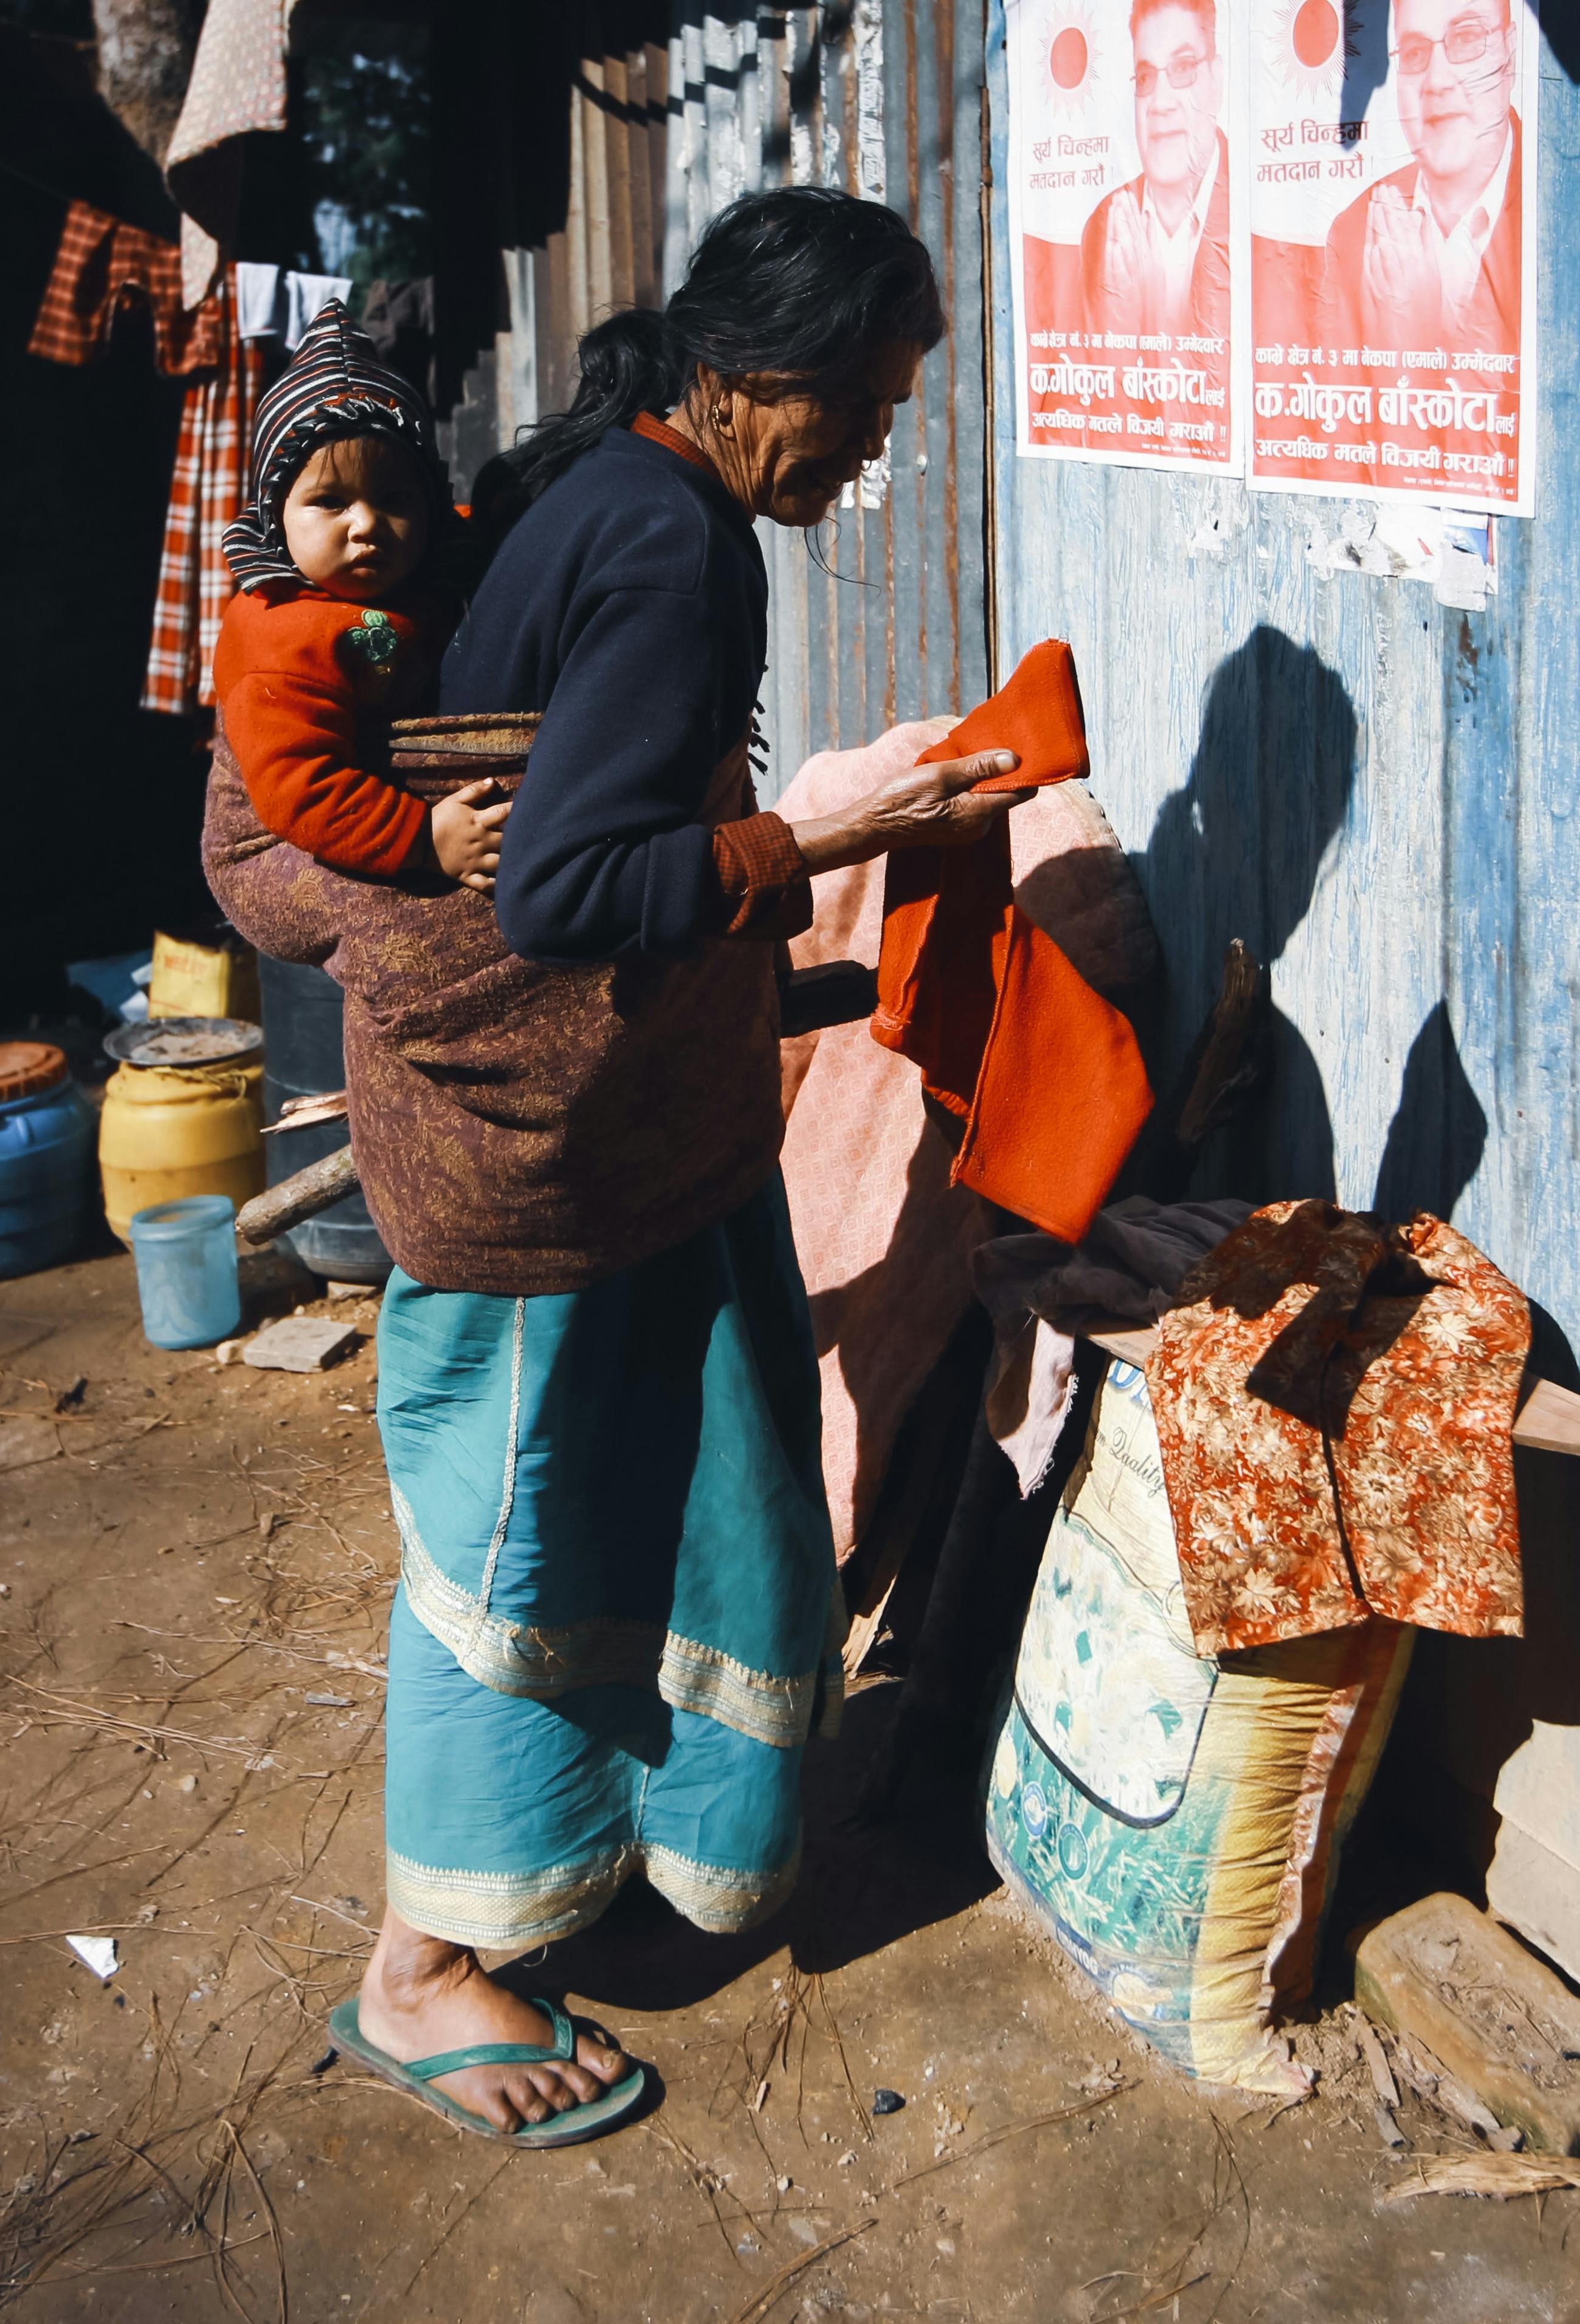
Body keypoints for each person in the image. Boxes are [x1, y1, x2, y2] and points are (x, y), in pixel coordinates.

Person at [200, 185, 1026, 2145]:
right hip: (536, 1165)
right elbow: (569, 887)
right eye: (873, 405)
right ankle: (421, 1970)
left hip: (616, 1147)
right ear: (758, 389)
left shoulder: (609, 488)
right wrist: (831, 837)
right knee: (517, 1529)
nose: (878, 446)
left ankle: (606, 1858)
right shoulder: (670, 541)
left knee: (650, 1498)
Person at [212, 300, 511, 893]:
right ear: (276, 516)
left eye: (396, 499)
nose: (366, 524)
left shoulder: (429, 561)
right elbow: (302, 787)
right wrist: (426, 841)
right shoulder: (284, 636)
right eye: (331, 502)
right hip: (331, 835)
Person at [1320, 0, 1523, 355]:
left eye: (1467, 38)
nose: (1438, 81)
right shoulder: (1352, 234)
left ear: (1510, 54)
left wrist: (1424, 336)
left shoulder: (1561, 212)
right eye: (1415, 52)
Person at [1075, 0, 1232, 350]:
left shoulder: (1257, 211)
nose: (1161, 102)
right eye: (1145, 77)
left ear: (1217, 81)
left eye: (1184, 68)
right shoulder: (1101, 228)